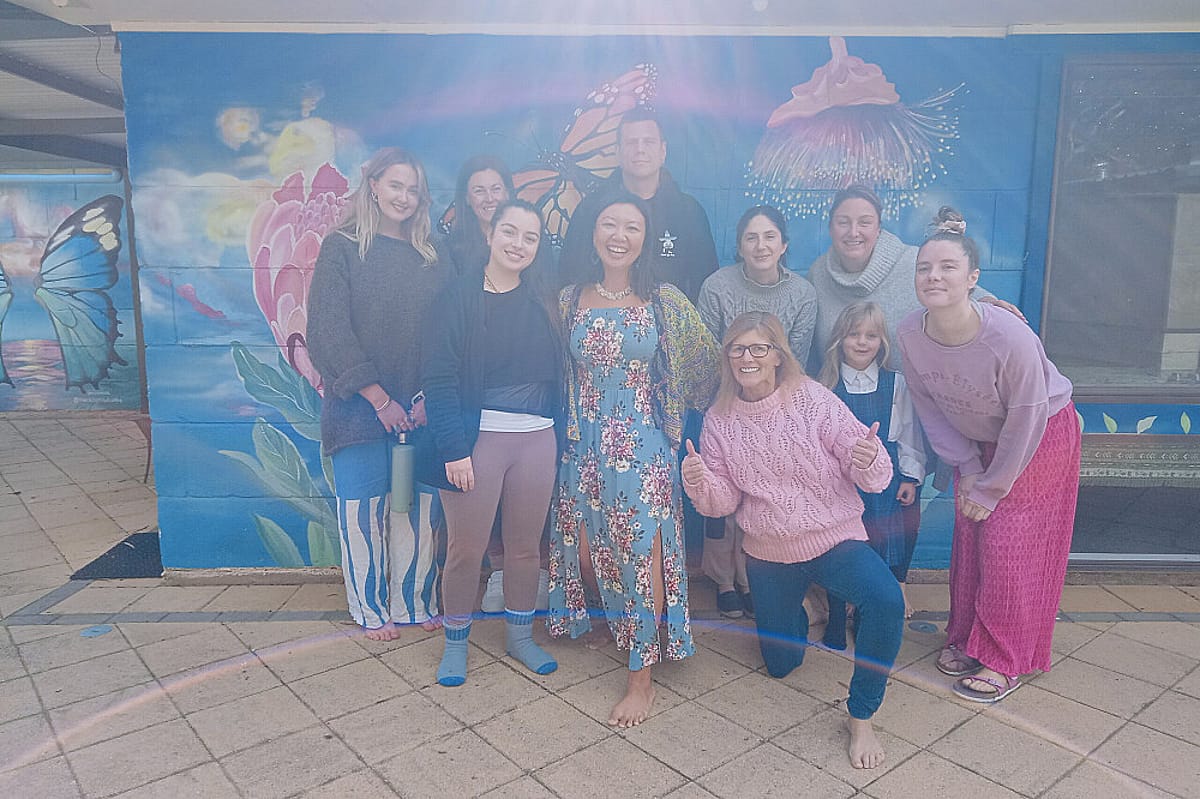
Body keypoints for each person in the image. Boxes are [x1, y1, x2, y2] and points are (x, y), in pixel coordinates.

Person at [682, 311, 903, 770]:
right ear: (727, 358)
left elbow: (872, 473)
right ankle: (805, 612)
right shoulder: (719, 419)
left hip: (834, 537)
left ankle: (862, 714)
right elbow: (722, 502)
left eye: (758, 348)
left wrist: (867, 458)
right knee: (782, 664)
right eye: (737, 349)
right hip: (768, 553)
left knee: (885, 601)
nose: (747, 358)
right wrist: (700, 482)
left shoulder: (811, 398)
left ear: (778, 355)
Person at [548, 193, 719, 728]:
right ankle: (613, 625)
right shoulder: (568, 299)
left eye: (632, 227)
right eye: (609, 224)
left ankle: (641, 679)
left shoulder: (664, 300)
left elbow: (709, 369)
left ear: (646, 238)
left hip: (644, 446)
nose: (619, 235)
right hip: (583, 448)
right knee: (583, 551)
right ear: (593, 232)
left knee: (643, 558)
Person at [897, 206, 1080, 704]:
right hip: (976, 441)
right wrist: (971, 470)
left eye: (947, 267)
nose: (933, 276)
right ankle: (966, 636)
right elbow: (930, 407)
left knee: (1007, 542)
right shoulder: (910, 333)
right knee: (969, 534)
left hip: (1040, 435)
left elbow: (1027, 416)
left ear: (973, 277)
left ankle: (1005, 658)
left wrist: (995, 485)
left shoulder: (1008, 337)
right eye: (924, 268)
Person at [420, 199, 562, 687]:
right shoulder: (457, 298)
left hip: (537, 440)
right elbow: (437, 379)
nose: (518, 244)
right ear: (490, 234)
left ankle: (520, 637)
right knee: (466, 548)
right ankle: (455, 643)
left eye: (530, 237)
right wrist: (454, 450)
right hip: (476, 442)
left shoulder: (546, 299)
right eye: (509, 232)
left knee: (525, 550)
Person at [307, 147, 444, 641]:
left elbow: (447, 330)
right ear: (373, 187)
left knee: (419, 511)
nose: (404, 197)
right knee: (363, 510)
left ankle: (413, 601)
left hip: (420, 410)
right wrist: (377, 397)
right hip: (358, 408)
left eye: (413, 190)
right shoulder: (341, 248)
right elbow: (327, 329)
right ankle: (370, 609)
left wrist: (429, 394)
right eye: (395, 186)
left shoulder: (432, 254)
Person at [696, 204, 817, 618]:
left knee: (761, 491)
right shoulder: (717, 287)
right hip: (724, 399)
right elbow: (709, 353)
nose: (760, 245)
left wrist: (767, 408)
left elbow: (794, 357)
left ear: (783, 245)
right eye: (751, 237)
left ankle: (752, 576)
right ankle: (723, 580)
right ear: (739, 246)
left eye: (769, 237)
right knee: (722, 493)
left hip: (777, 407)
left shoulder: (802, 294)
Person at [807, 184, 1016, 370]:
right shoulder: (817, 274)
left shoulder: (918, 263)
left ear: (878, 229)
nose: (853, 232)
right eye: (843, 222)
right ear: (830, 228)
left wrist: (990, 305)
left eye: (865, 222)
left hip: (915, 401)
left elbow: (962, 291)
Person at [818, 302, 926, 647]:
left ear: (883, 341)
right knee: (841, 547)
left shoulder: (896, 384)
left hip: (886, 480)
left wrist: (910, 477)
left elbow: (909, 433)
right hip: (840, 481)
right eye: (854, 334)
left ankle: (868, 616)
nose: (862, 342)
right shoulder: (825, 386)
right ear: (840, 339)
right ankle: (837, 616)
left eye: (871, 335)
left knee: (879, 544)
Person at [558, 107, 718, 303]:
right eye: (631, 142)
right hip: (601, 323)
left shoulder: (688, 212)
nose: (640, 149)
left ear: (663, 150)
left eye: (648, 142)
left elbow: (704, 286)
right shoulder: (592, 209)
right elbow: (569, 275)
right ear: (617, 151)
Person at [439, 155, 515, 276]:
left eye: (496, 189)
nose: (489, 198)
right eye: (479, 191)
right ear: (467, 198)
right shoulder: (450, 249)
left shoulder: (530, 242)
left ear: (507, 193)